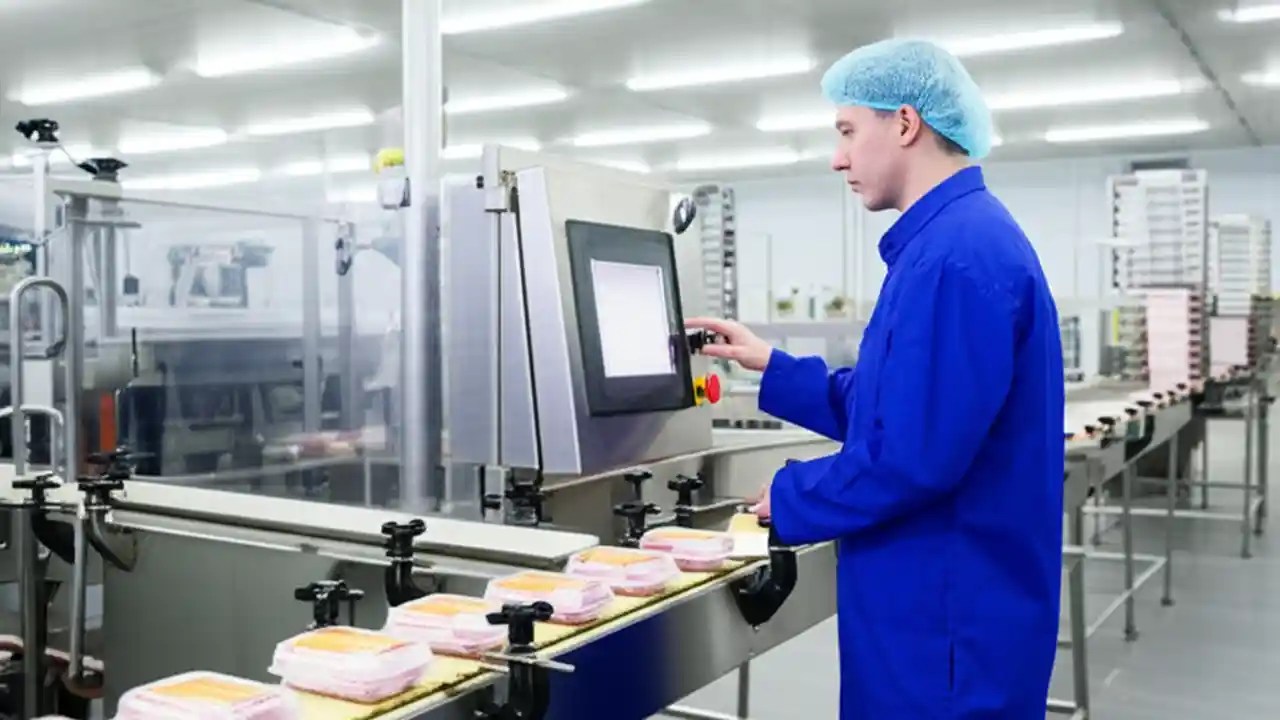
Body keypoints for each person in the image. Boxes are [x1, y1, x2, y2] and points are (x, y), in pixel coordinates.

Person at [688, 39, 1063, 719]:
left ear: (906, 123)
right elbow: (892, 407)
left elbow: (913, 457)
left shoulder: (954, 258)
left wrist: (790, 494)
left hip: (945, 626)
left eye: (847, 131)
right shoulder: (949, 242)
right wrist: (773, 366)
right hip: (941, 607)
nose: (838, 157)